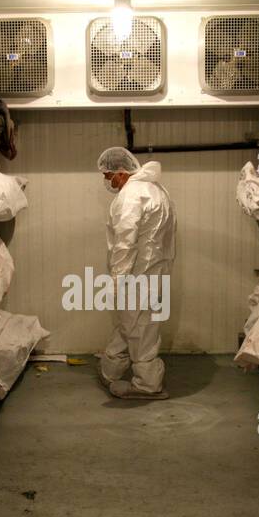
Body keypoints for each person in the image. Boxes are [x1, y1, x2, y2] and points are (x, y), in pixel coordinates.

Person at [96, 146, 176, 399]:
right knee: (131, 323)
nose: (107, 181)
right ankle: (111, 369)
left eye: (108, 175)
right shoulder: (156, 190)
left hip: (137, 273)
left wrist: (118, 279)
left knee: (141, 328)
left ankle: (147, 385)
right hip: (154, 270)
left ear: (121, 172)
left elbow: (125, 241)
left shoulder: (131, 196)